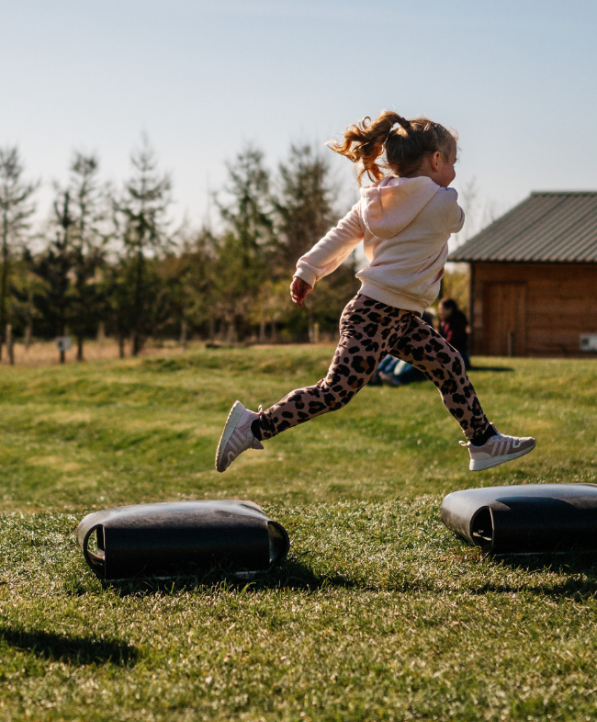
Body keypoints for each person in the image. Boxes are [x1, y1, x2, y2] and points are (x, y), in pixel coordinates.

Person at [215, 111, 536, 474]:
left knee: (448, 364)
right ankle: (253, 425)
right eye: (452, 161)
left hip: (390, 314)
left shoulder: (373, 200)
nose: (455, 172)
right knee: (335, 391)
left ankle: (483, 441)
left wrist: (307, 271)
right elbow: (459, 220)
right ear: (435, 160)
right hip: (379, 314)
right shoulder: (444, 202)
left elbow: (341, 235)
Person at [438, 298, 471, 369]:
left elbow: (451, 341)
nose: (440, 312)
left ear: (450, 309)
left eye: (442, 309)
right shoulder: (444, 323)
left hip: (458, 357)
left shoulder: (457, 322)